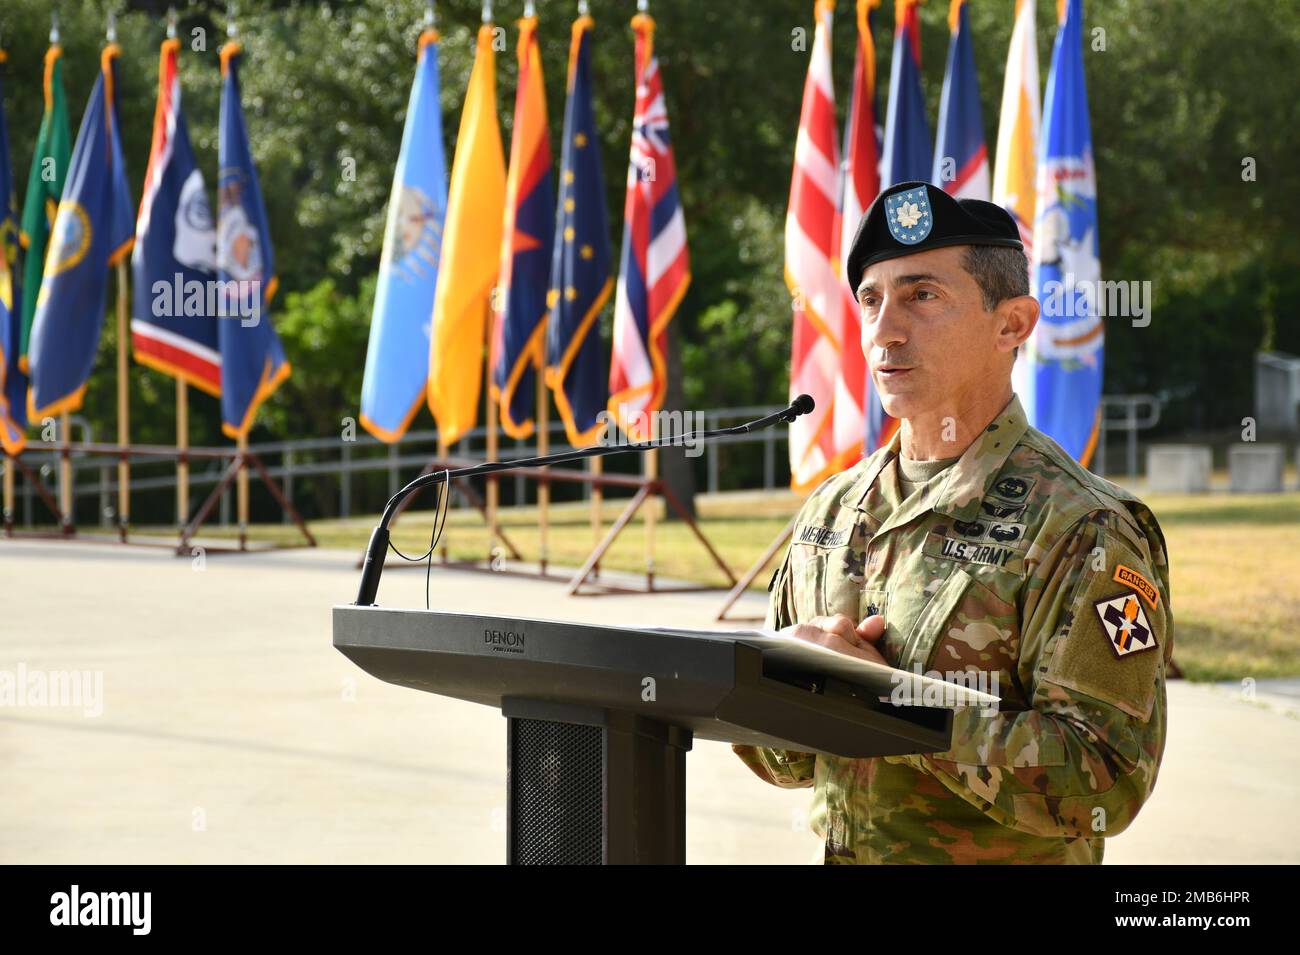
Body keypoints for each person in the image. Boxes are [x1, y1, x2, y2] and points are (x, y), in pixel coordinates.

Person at [733, 181, 1173, 864]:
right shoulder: (834, 510)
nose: (884, 328)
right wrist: (778, 678)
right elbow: (785, 762)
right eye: (871, 300)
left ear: (1013, 323)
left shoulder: (1081, 527)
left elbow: (1106, 778)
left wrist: (884, 703)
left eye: (922, 295)